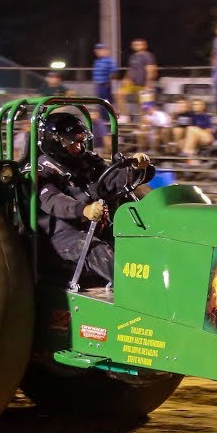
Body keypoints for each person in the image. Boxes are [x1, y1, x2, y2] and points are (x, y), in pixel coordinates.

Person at [35, 112, 152, 284]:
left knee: (135, 239)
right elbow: (52, 200)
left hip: (97, 227)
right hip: (62, 237)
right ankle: (135, 290)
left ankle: (162, 283)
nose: (80, 147)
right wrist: (84, 210)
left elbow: (111, 180)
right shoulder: (41, 170)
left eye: (81, 141)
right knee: (96, 249)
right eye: (73, 142)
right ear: (56, 143)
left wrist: (136, 169)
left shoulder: (88, 160)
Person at [118, 38, 157, 122]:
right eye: (135, 44)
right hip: (132, 83)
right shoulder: (132, 57)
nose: (137, 46)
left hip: (143, 84)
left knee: (143, 107)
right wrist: (125, 79)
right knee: (119, 94)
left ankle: (142, 126)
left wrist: (148, 84)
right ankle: (124, 116)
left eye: (139, 44)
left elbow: (151, 69)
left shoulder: (147, 55)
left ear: (144, 45)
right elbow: (131, 69)